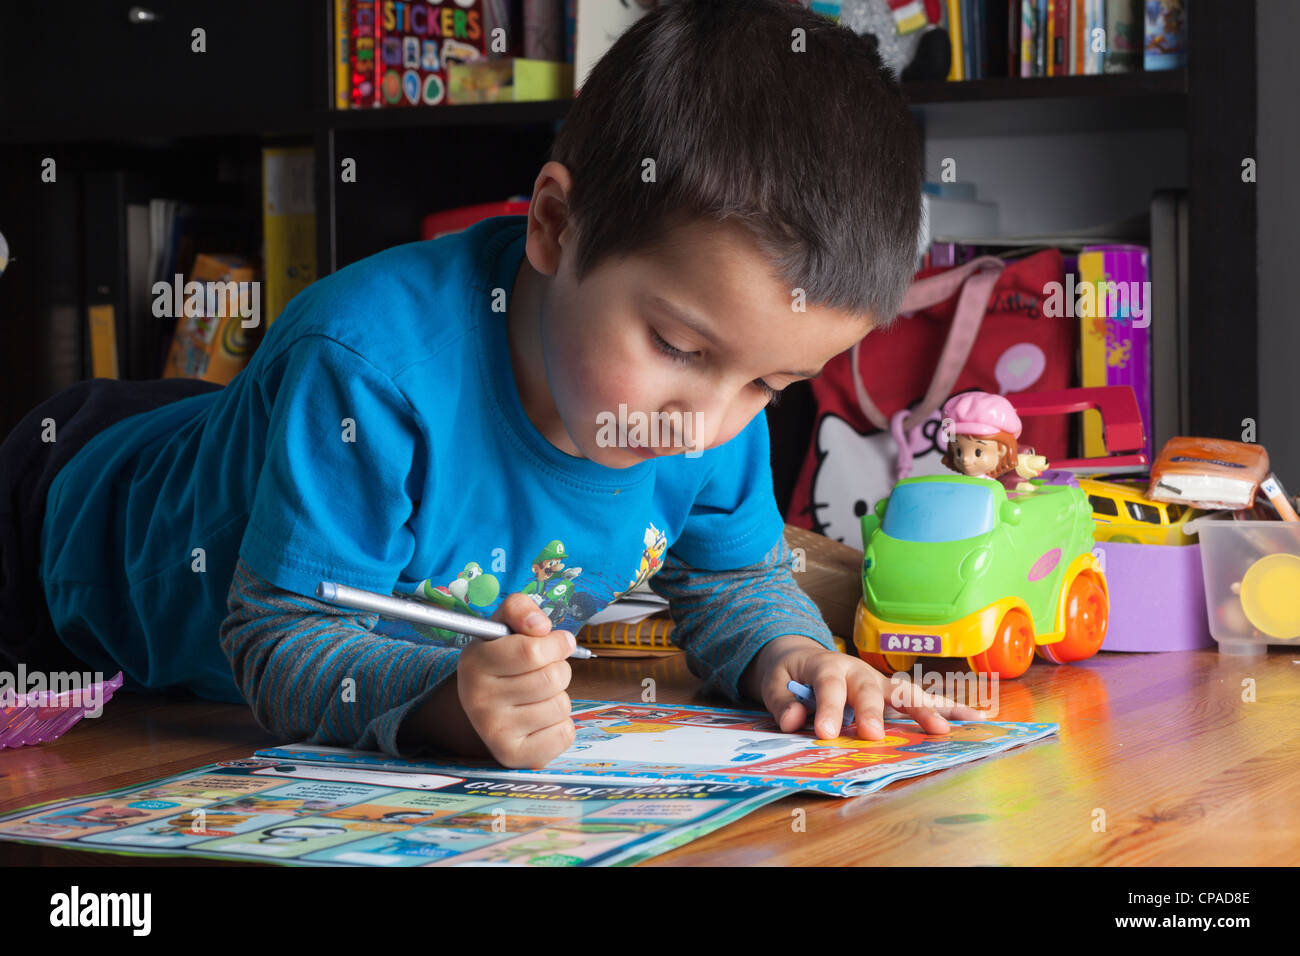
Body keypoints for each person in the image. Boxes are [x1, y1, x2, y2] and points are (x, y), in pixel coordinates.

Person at [0, 0, 985, 769]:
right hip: (70, 523)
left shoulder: (715, 402)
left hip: (231, 516)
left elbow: (734, 580)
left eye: (770, 383)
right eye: (677, 347)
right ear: (555, 225)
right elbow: (277, 630)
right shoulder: (368, 367)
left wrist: (794, 658)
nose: (705, 427)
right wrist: (441, 701)